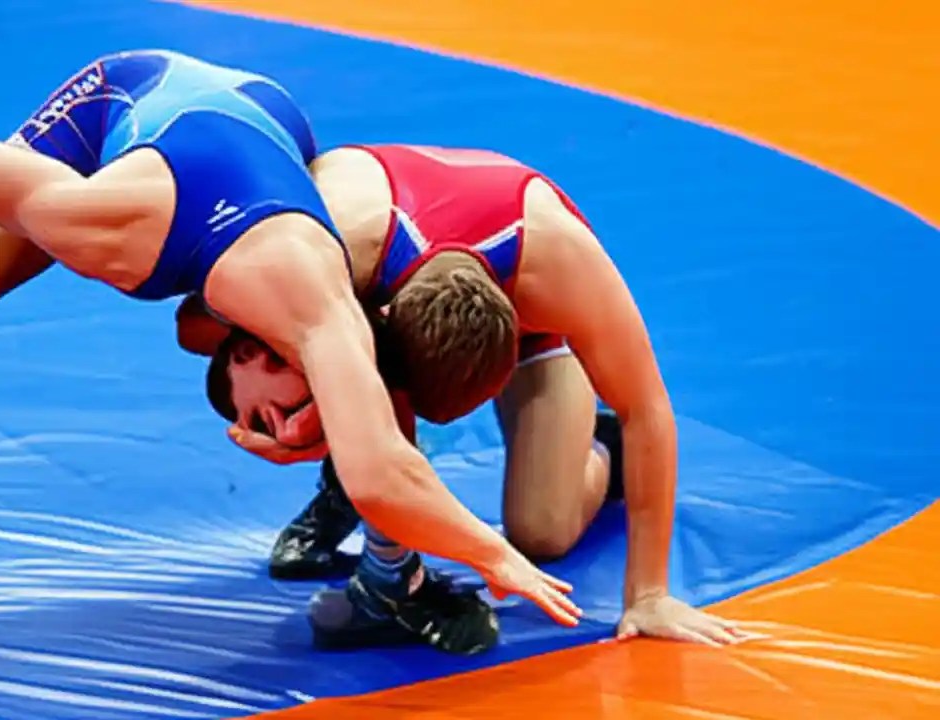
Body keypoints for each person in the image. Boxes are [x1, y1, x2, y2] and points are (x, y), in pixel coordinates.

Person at [0, 52, 582, 666]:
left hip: (264, 125)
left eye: (276, 419)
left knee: (372, 388)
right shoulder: (100, 225)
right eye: (284, 417)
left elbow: (382, 459)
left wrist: (436, 522)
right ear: (250, 345)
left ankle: (391, 578)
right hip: (127, 100)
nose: (276, 427)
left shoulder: (329, 311)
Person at [187, 143, 747, 648]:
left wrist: (649, 593)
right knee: (323, 383)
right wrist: (327, 429)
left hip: (532, 312)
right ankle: (357, 507)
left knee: (542, 533)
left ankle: (602, 453)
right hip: (372, 275)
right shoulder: (331, 248)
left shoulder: (565, 269)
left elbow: (645, 407)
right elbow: (193, 326)